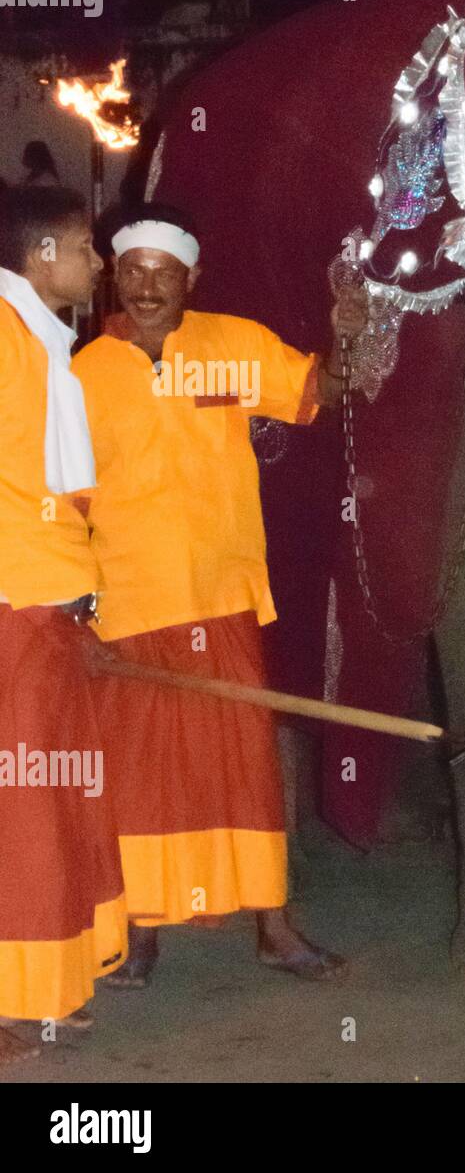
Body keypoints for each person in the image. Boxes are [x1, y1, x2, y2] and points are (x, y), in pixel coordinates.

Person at [72, 203, 365, 987]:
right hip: (127, 602)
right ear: (113, 274)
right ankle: (140, 934)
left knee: (244, 767)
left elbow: (319, 393)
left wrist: (352, 327)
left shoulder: (230, 347)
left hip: (222, 595)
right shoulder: (82, 374)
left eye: (161, 274)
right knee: (137, 776)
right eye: (131, 271)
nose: (144, 286)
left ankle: (274, 926)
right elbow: (68, 499)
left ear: (190, 279)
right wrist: (76, 606)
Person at [0, 187, 126, 1064]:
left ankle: (43, 985)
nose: (99, 265)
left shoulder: (47, 344)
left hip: (53, 609)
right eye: (86, 247)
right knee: (21, 808)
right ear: (44, 254)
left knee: (54, 802)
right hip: (15, 611)